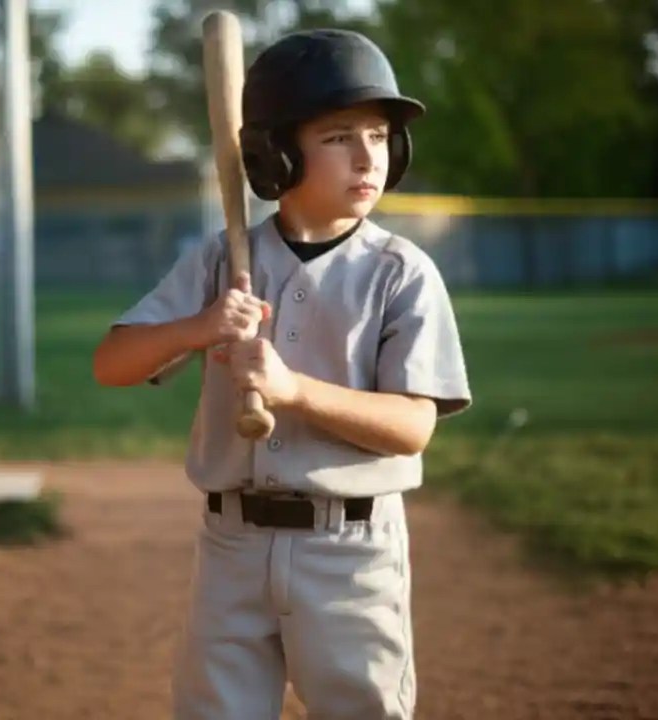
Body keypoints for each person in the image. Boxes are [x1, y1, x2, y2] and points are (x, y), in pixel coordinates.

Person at [93, 27, 473, 720]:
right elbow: (111, 364)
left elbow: (414, 426)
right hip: (231, 545)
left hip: (349, 551)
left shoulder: (401, 274)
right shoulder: (220, 263)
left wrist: (294, 391)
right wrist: (199, 327)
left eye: (381, 137)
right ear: (273, 155)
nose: (367, 157)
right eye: (338, 136)